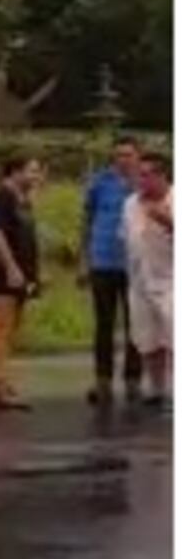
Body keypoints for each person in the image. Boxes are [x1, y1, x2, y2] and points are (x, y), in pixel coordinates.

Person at [0, 156, 44, 411]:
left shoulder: (23, 201)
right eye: (32, 171)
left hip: (21, 278)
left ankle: (0, 381)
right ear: (15, 172)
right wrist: (11, 267)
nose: (38, 176)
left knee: (9, 331)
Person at [79, 136, 142, 405]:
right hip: (103, 261)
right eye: (118, 155)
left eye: (128, 155)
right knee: (103, 324)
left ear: (138, 157)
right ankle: (102, 380)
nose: (123, 160)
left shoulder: (146, 183)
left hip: (136, 264)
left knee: (136, 325)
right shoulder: (101, 182)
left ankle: (133, 380)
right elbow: (87, 220)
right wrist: (84, 260)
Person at [121, 151, 172, 409]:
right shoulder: (130, 203)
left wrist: (167, 221)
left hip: (172, 279)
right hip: (140, 279)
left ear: (161, 176)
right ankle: (157, 389)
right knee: (147, 338)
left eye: (145, 175)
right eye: (138, 175)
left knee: (174, 335)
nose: (140, 180)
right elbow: (128, 238)